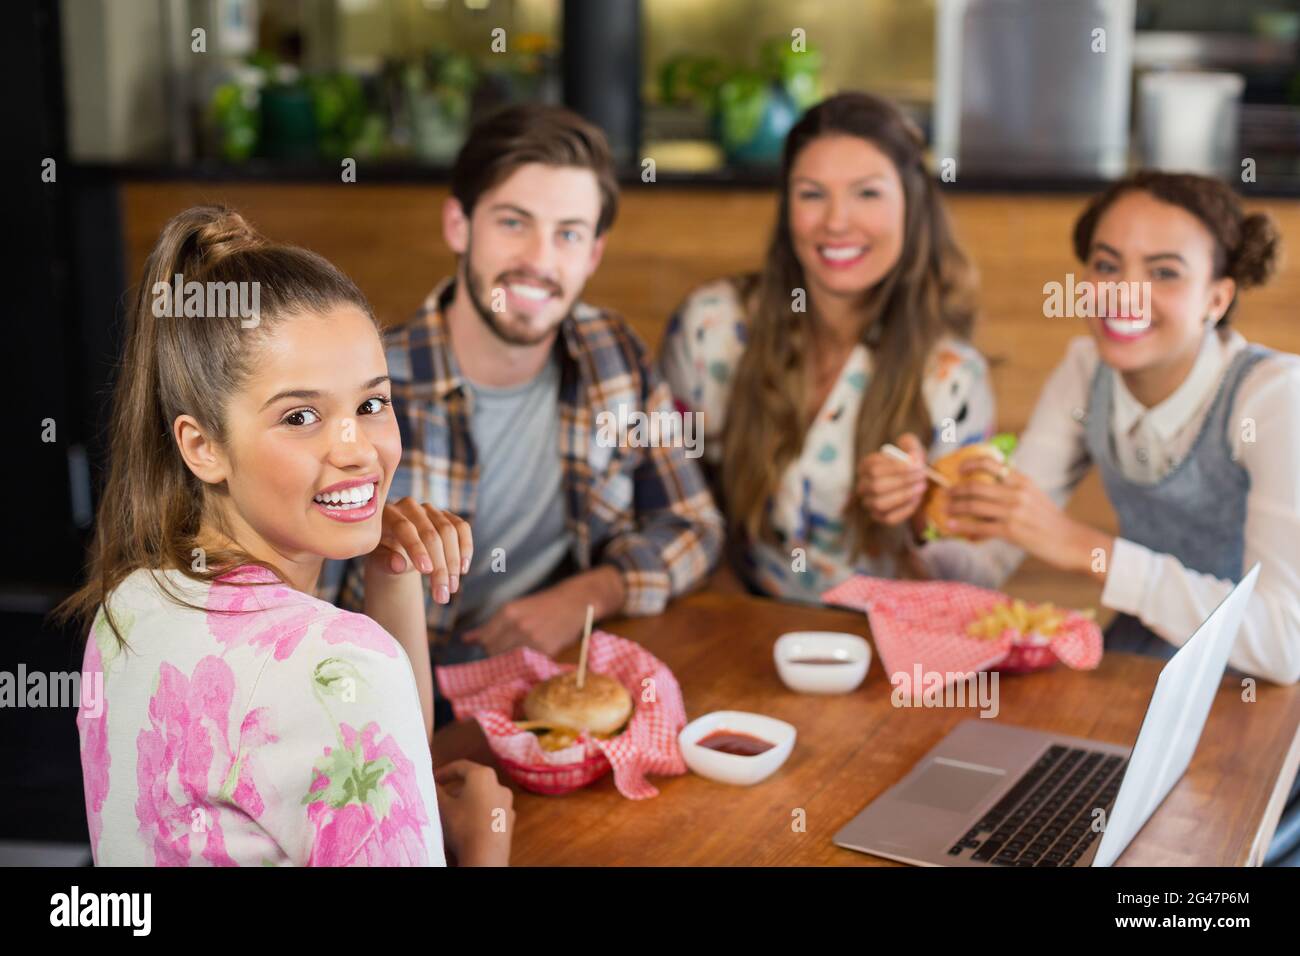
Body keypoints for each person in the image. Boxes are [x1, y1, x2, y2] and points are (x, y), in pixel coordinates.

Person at [52, 206, 513, 866]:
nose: (357, 450)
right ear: (202, 445)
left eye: (371, 404)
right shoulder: (335, 658)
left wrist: (391, 574)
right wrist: (486, 844)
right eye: (300, 416)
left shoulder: (128, 604)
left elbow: (389, 767)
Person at [320, 105, 723, 687]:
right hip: (395, 698)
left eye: (567, 234)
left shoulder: (613, 353)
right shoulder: (370, 388)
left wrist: (593, 592)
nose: (538, 260)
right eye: (514, 222)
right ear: (459, 225)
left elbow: (694, 524)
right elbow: (301, 603)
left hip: (552, 676)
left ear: (593, 255)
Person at [659, 91, 994, 602]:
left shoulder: (952, 375)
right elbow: (674, 505)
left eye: (867, 193)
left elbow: (973, 580)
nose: (837, 221)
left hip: (891, 654)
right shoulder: (713, 327)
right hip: (739, 631)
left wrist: (922, 513)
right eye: (812, 194)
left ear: (912, 203)